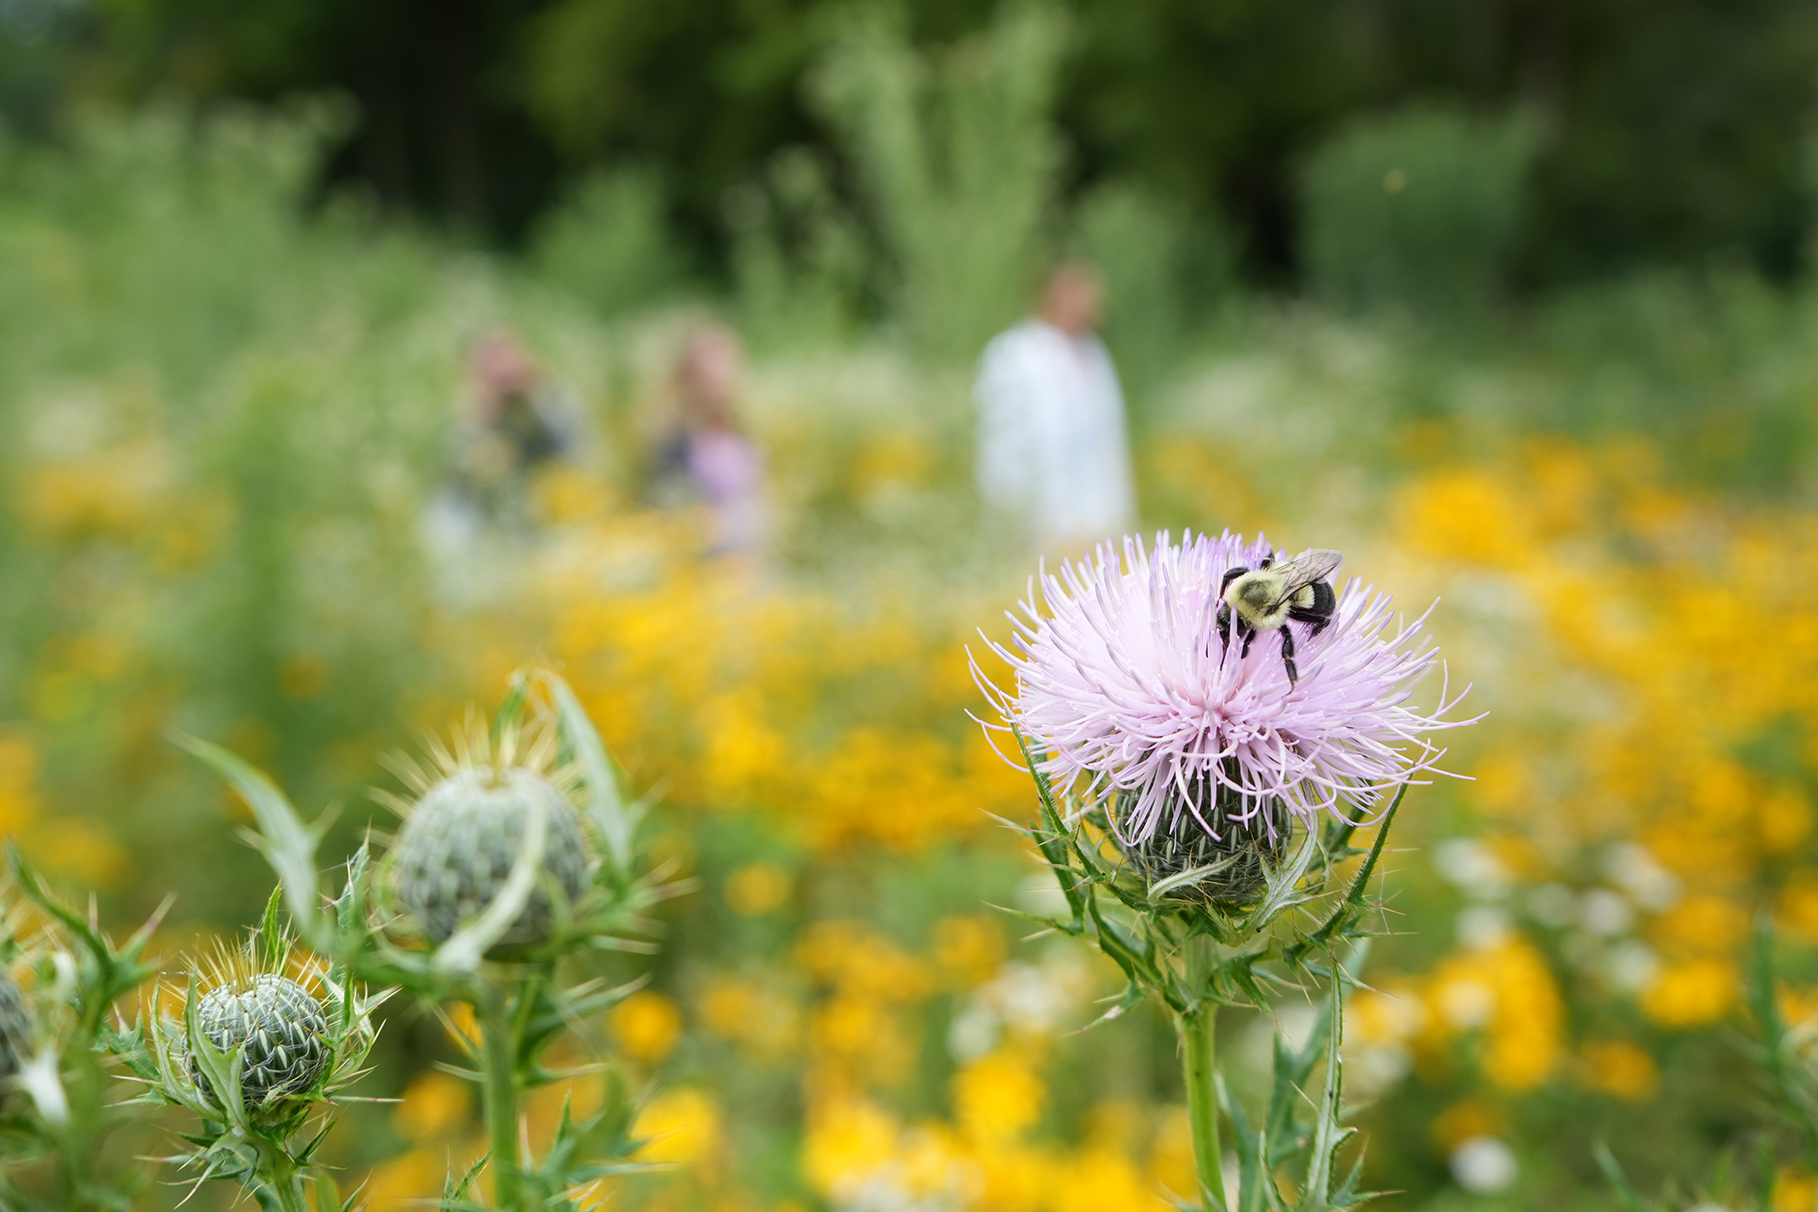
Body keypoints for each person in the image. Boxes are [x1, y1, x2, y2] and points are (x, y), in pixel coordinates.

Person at [973, 261, 1137, 551]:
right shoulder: (1017, 353)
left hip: (1097, 521)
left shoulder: (1093, 351)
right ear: (1057, 296)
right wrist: (1010, 515)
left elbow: (1110, 440)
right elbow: (1001, 444)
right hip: (1037, 522)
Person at [444, 328, 580, 531]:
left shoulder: (552, 396)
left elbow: (579, 451)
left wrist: (534, 404)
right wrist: (484, 420)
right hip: (491, 520)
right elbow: (463, 484)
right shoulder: (469, 417)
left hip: (556, 502)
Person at [649, 323, 767, 558]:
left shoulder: (745, 434)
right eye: (703, 376)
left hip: (747, 566)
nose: (712, 386)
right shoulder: (673, 444)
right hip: (701, 571)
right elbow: (663, 512)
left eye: (719, 373)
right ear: (684, 381)